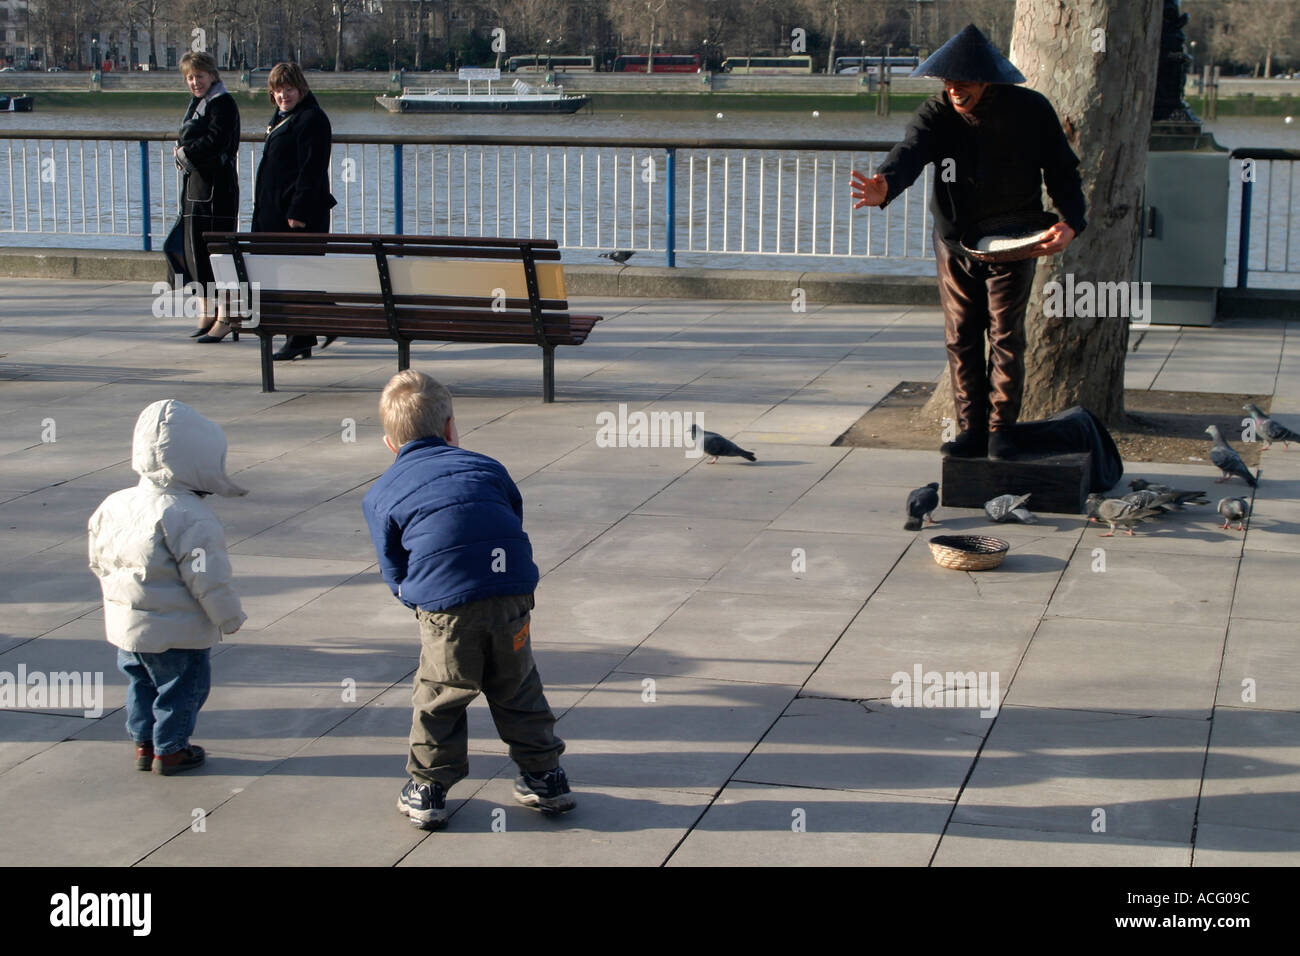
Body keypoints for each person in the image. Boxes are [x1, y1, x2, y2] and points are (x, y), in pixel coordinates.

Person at [850, 24, 1087, 461]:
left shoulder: (1031, 110)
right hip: (956, 240)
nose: (955, 91)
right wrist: (887, 185)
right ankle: (971, 431)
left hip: (1015, 238)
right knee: (960, 336)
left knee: (1005, 335)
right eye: (949, 83)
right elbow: (910, 151)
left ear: (987, 81)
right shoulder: (936, 113)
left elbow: (1062, 170)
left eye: (965, 83)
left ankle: (1001, 432)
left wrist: (1072, 221)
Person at [362, 370, 574, 829]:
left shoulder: (382, 493)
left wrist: (416, 599)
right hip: (511, 594)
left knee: (442, 693)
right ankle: (546, 777)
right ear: (451, 428)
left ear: (389, 444)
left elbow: (393, 566)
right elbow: (510, 521)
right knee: (518, 687)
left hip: (446, 605)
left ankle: (428, 788)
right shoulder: (489, 468)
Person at [88, 400, 247, 775]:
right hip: (178, 632)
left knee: (140, 685)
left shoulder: (114, 503)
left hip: (128, 628)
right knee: (181, 691)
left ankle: (144, 744)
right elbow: (208, 577)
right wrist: (229, 617)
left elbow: (98, 559)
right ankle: (172, 749)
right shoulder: (190, 516)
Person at [252, 62, 338, 361]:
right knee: (287, 275)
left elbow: (311, 170)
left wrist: (298, 211)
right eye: (277, 90)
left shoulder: (312, 119)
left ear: (301, 88)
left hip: (298, 216)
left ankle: (301, 335)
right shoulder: (283, 117)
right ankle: (320, 322)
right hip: (275, 211)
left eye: (288, 89)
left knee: (295, 275)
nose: (282, 95)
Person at [173, 51, 241, 343]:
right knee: (191, 253)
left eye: (199, 76)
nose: (194, 81)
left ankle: (226, 315)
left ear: (212, 75)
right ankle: (207, 309)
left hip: (217, 191)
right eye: (190, 77)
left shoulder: (222, 104)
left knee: (218, 255)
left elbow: (217, 141)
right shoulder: (198, 104)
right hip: (196, 188)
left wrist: (185, 153)